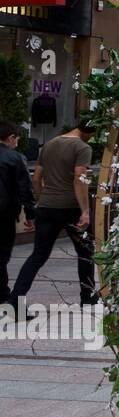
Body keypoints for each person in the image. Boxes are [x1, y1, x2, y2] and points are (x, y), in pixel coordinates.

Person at [6, 116, 98, 312]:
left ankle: (15, 299)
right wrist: (85, 211)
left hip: (47, 207)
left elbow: (37, 178)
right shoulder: (82, 148)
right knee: (85, 253)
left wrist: (41, 201)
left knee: (37, 256)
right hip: (71, 208)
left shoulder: (50, 144)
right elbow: (79, 179)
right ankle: (87, 297)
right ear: (89, 133)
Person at [0, 121, 36, 302]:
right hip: (4, 214)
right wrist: (30, 215)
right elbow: (25, 189)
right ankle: (4, 296)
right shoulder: (15, 158)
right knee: (2, 254)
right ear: (11, 138)